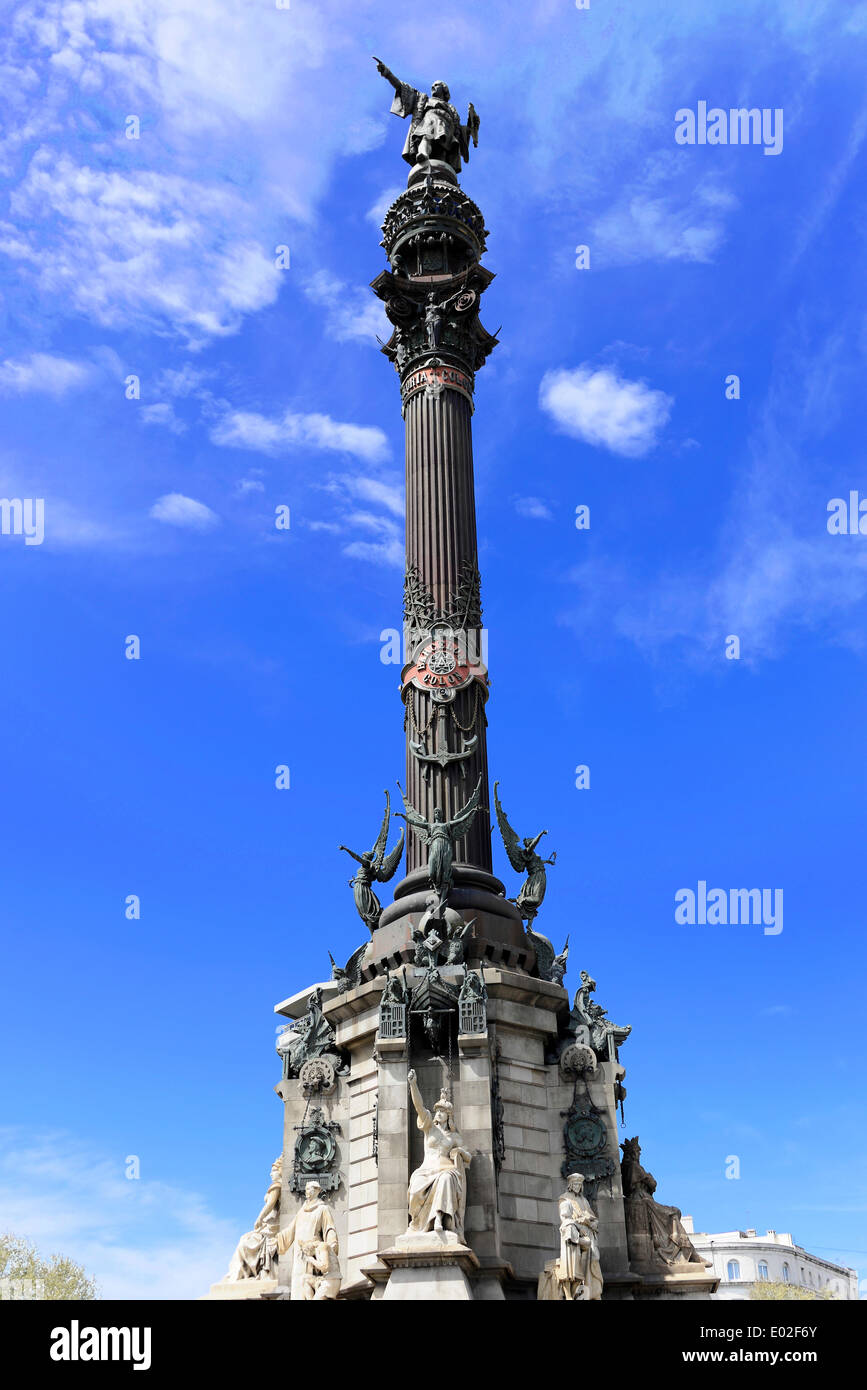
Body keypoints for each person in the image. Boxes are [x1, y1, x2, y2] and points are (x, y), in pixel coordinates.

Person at [405, 1070, 472, 1241]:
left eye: (442, 1111)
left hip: (445, 1169)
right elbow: (419, 1107)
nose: (439, 1113)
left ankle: (439, 1220)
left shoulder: (454, 1137)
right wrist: (413, 1084)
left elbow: (468, 1157)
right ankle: (419, 1223)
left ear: (448, 1115)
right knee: (415, 1184)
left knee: (446, 1179)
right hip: (426, 1170)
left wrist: (459, 1152)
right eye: (438, 1111)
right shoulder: (430, 1129)